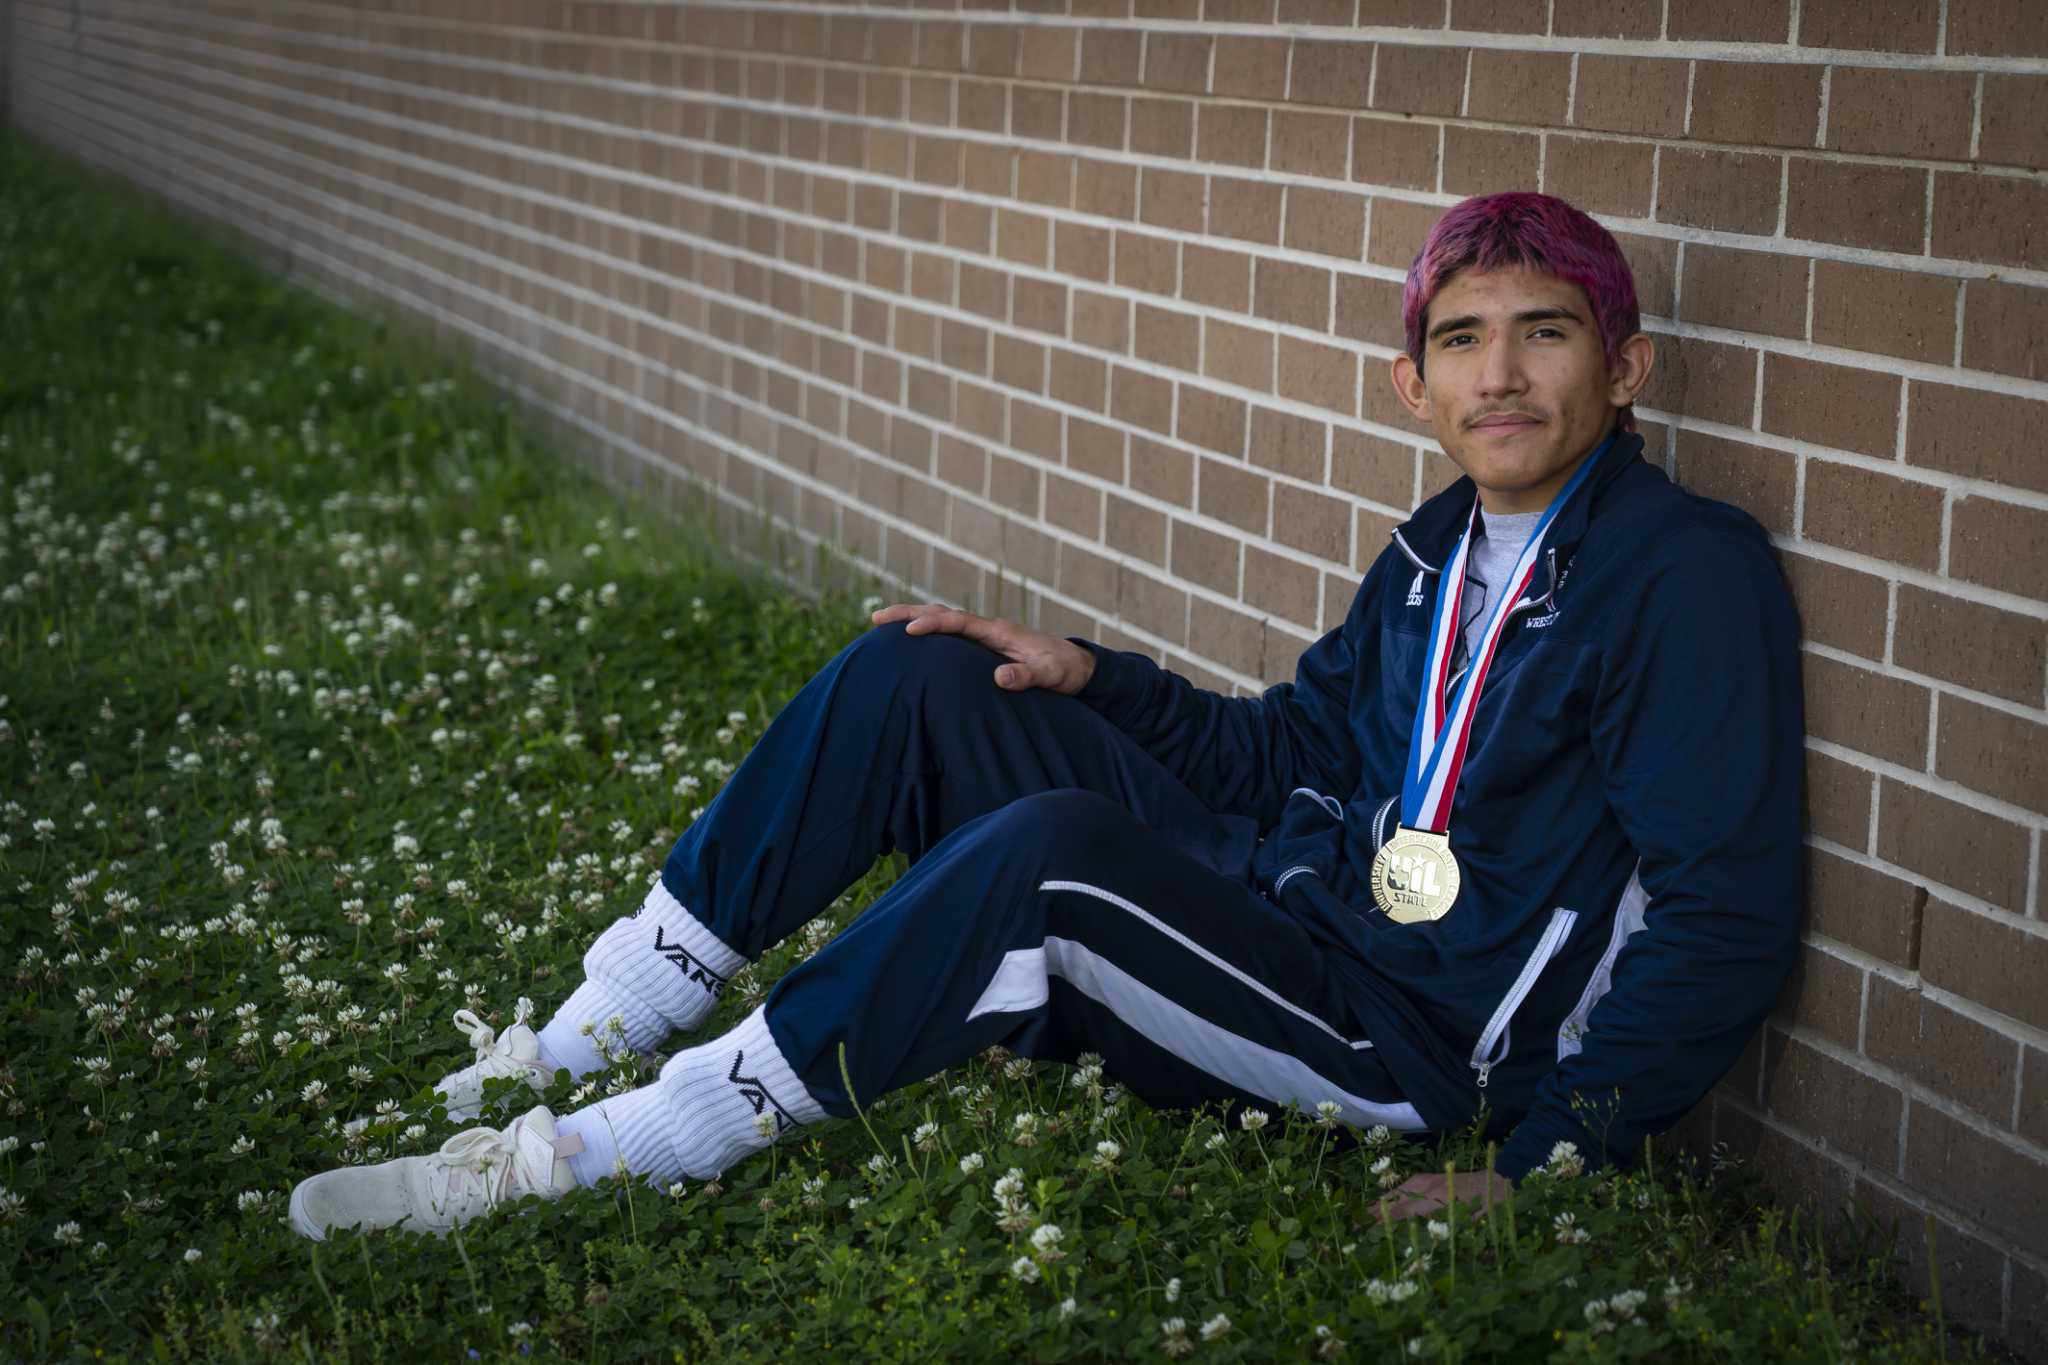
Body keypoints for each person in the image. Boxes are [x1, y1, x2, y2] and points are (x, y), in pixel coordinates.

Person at [289, 192, 1804, 1241]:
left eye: (1545, 333)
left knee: (1052, 862)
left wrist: (1551, 1162)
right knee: (919, 675)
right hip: (1303, 903)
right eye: (1466, 339)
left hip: (1411, 1037)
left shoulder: (1681, 572)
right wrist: (1096, 674)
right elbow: (1296, 749)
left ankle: (583, 1154)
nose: (1504, 372)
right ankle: (575, 1037)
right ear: (1412, 385)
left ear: (1625, 367)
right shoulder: (1433, 553)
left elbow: (1725, 907)